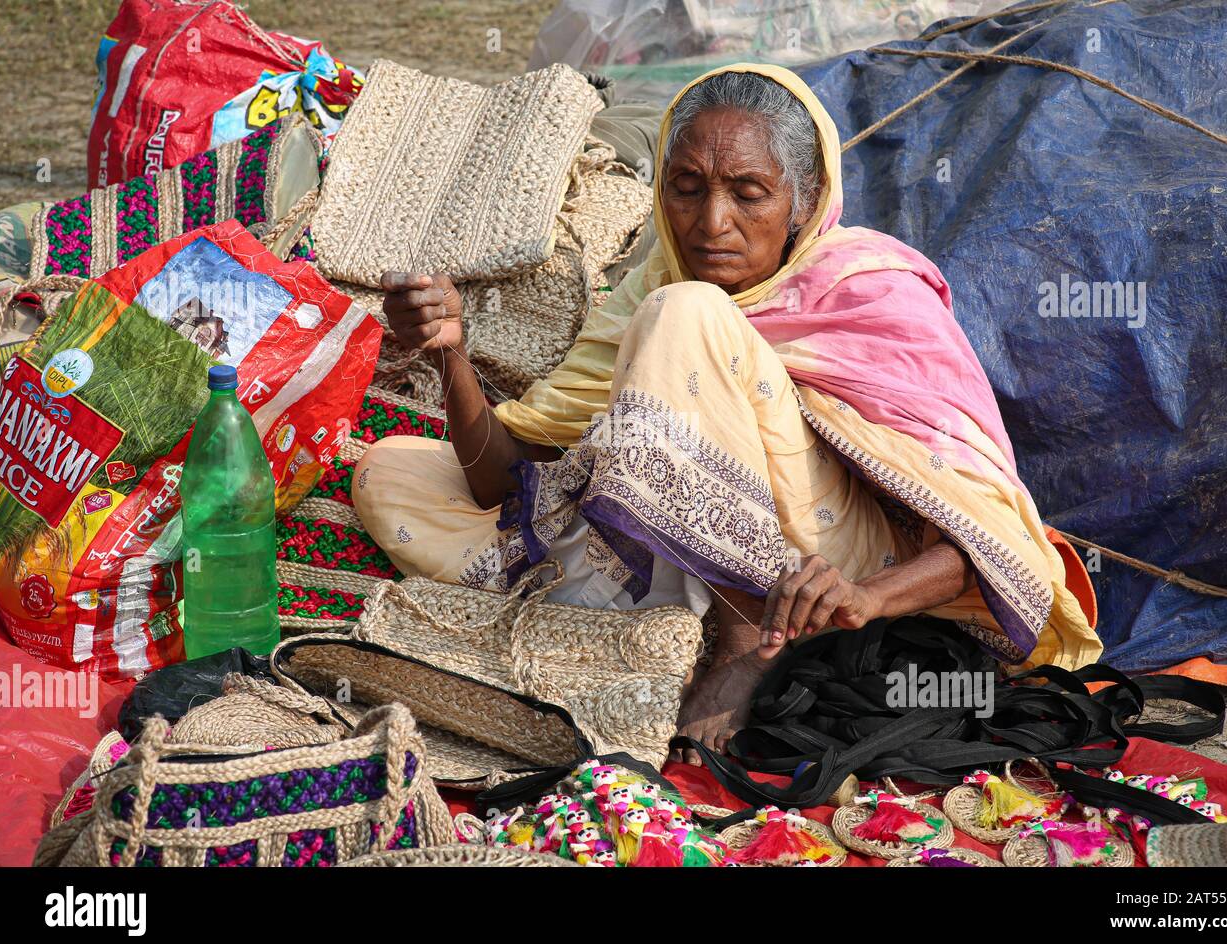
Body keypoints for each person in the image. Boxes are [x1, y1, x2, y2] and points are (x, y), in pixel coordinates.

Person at [355, 64, 1101, 766]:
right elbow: (497, 484)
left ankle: (744, 640)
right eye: (687, 187)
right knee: (391, 469)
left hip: (832, 562)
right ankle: (647, 622)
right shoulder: (652, 289)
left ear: (802, 203)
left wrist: (864, 598)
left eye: (748, 192)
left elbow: (993, 539)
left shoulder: (872, 292)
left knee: (689, 312)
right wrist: (450, 356)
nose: (712, 222)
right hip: (676, 534)